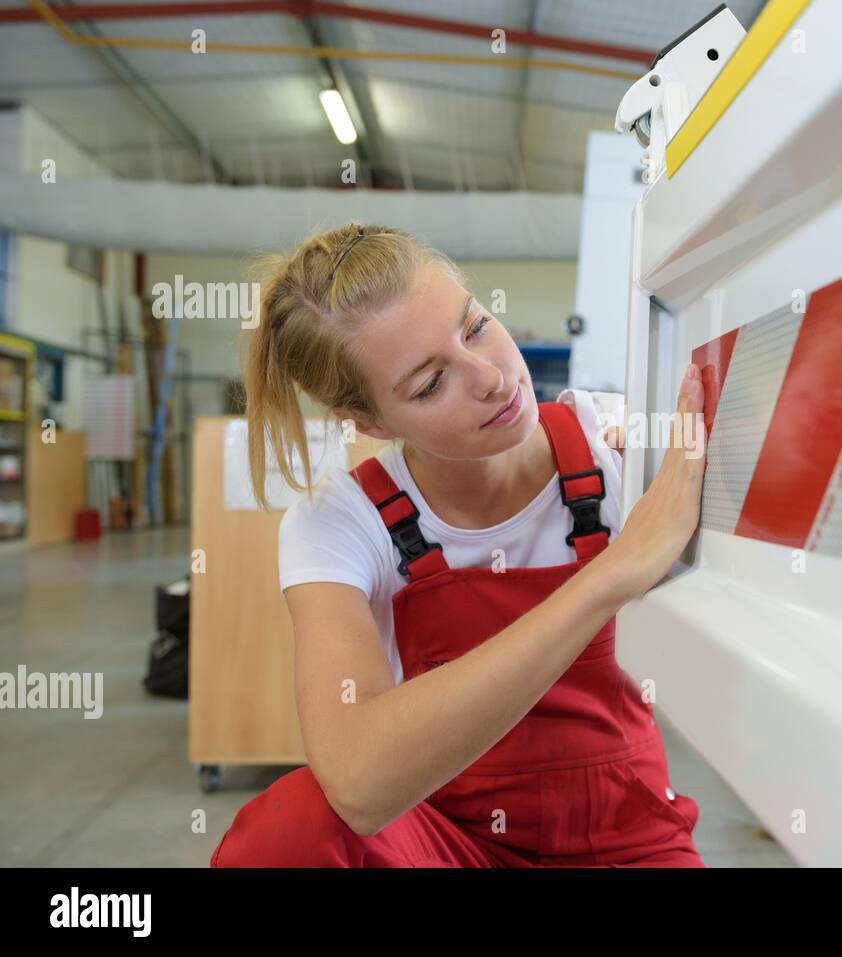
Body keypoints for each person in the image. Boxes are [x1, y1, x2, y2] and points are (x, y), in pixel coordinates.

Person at [209, 223, 709, 867]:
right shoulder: (342, 520)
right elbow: (358, 784)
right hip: (450, 847)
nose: (491, 378)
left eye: (474, 327)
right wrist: (612, 573)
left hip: (626, 834)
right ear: (370, 423)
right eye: (429, 384)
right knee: (288, 834)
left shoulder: (623, 445)